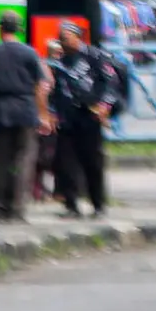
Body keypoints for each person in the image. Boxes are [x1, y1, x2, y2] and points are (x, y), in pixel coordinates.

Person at [0, 10, 50, 222]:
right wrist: (43, 114)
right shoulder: (29, 53)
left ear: (0, 28)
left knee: (0, 161)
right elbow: (40, 87)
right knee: (25, 159)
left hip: (0, 110)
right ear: (18, 29)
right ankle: (18, 209)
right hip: (26, 109)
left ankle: (0, 209)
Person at [48, 23, 115, 218]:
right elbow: (55, 89)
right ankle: (71, 205)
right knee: (66, 162)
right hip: (67, 117)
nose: (63, 41)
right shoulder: (61, 62)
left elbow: (110, 83)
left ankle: (98, 205)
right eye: (61, 38)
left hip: (90, 115)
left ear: (78, 37)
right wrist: (52, 112)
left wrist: (104, 106)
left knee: (93, 162)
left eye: (66, 37)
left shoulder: (94, 56)